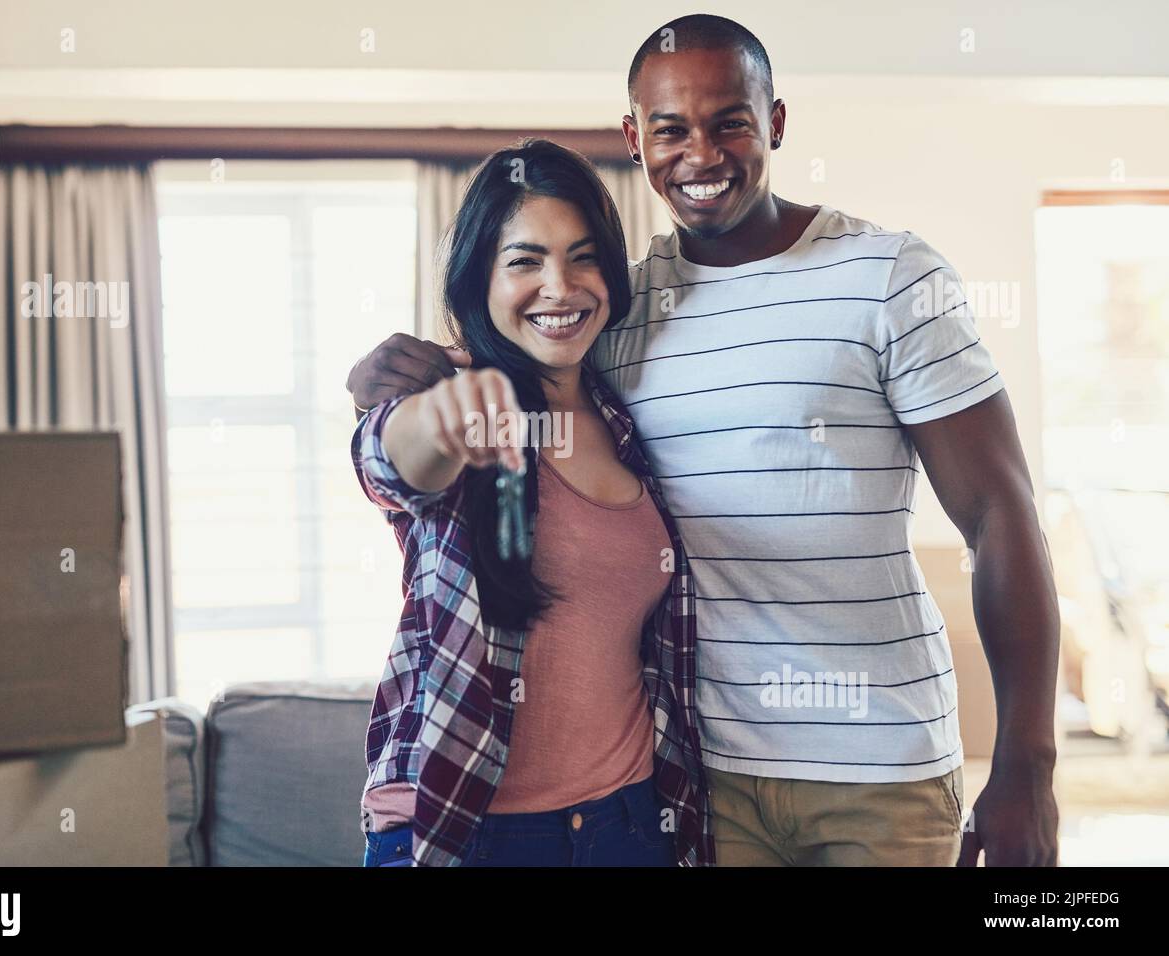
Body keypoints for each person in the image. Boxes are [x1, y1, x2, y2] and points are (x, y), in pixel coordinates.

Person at [348, 15, 1060, 867]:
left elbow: (999, 512)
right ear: (633, 137)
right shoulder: (623, 303)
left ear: (777, 123)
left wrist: (1027, 760)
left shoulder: (892, 276)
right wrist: (401, 378)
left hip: (879, 765)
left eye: (730, 121)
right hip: (699, 774)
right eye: (670, 128)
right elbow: (522, 346)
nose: (702, 154)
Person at [352, 138, 713, 866]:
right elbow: (391, 460)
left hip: (629, 821)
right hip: (466, 829)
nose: (560, 286)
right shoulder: (444, 400)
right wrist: (445, 415)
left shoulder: (627, 423)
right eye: (524, 261)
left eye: (582, 257)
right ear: (477, 282)